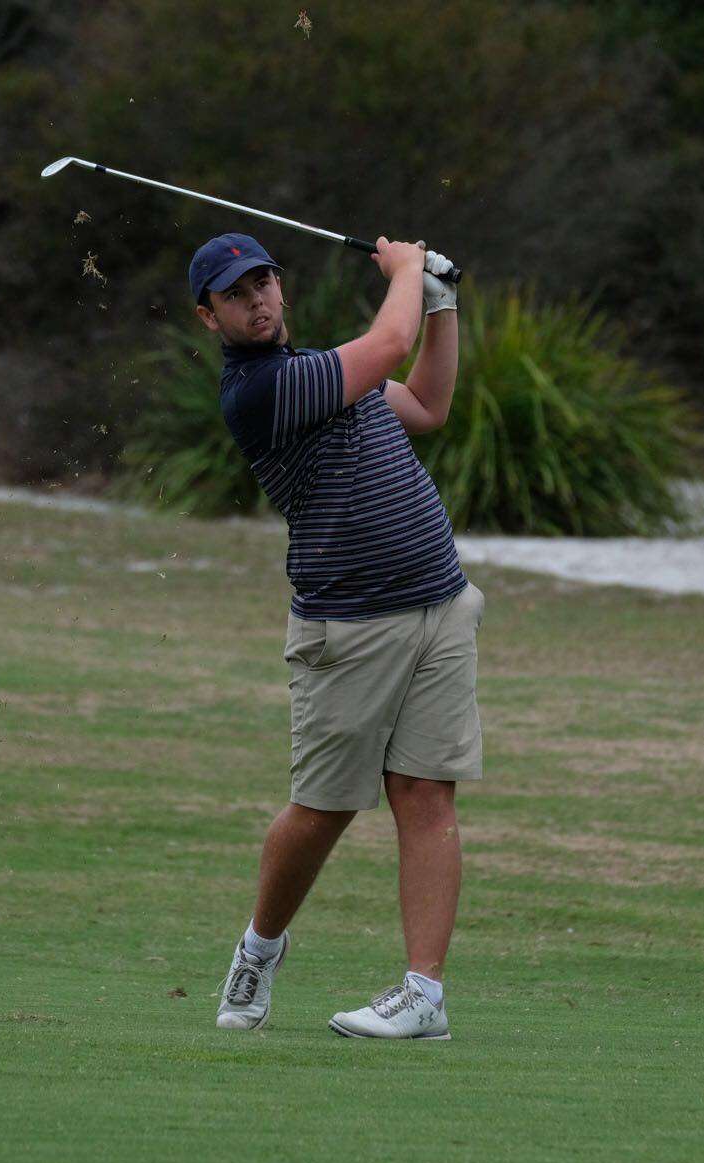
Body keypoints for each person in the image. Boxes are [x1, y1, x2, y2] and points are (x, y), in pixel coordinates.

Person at [190, 231, 483, 1040]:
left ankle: (424, 995)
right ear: (209, 316)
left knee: (426, 793)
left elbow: (426, 405)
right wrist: (404, 275)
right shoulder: (262, 391)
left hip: (439, 605)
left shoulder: (326, 368)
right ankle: (261, 945)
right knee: (323, 807)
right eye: (235, 294)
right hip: (347, 628)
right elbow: (390, 342)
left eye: (263, 284)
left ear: (281, 289)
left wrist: (442, 302)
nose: (256, 301)